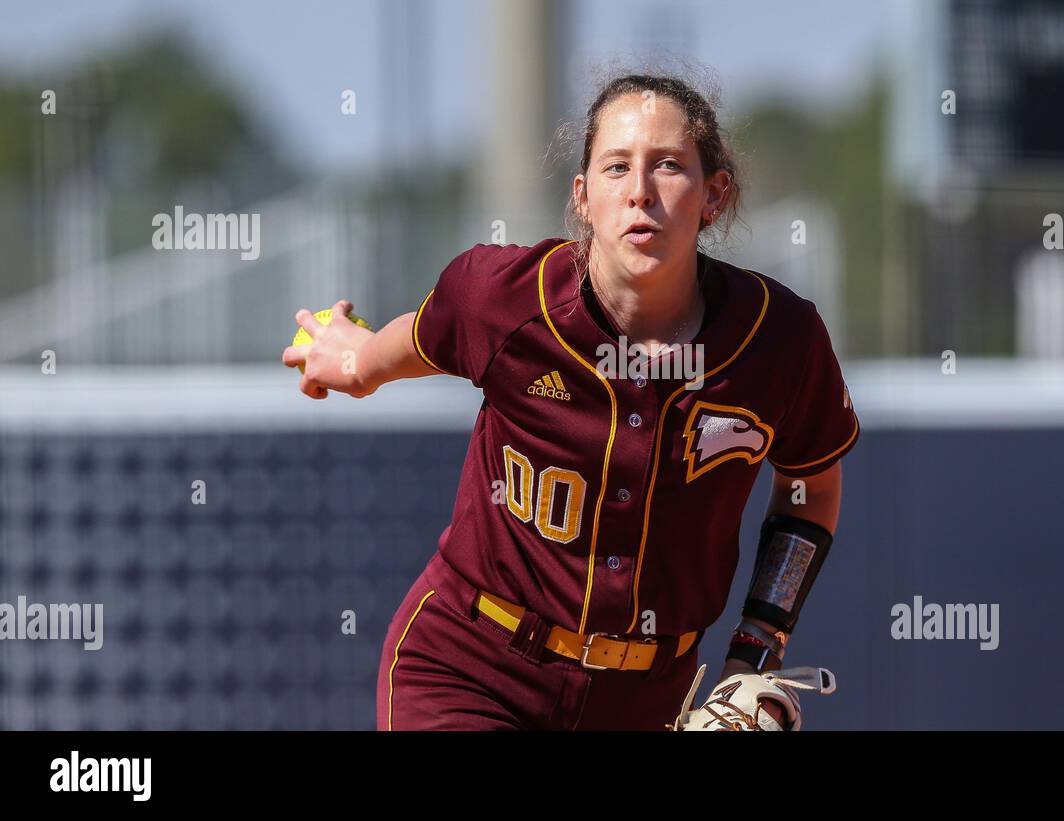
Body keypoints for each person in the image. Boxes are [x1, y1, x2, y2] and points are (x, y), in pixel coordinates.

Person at [282, 73, 859, 730]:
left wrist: (756, 647)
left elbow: (811, 485)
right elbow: (390, 352)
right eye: (617, 167)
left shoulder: (778, 339)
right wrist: (350, 360)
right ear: (583, 197)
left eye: (669, 165)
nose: (640, 190)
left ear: (714, 194)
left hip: (646, 699)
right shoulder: (503, 299)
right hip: (471, 668)